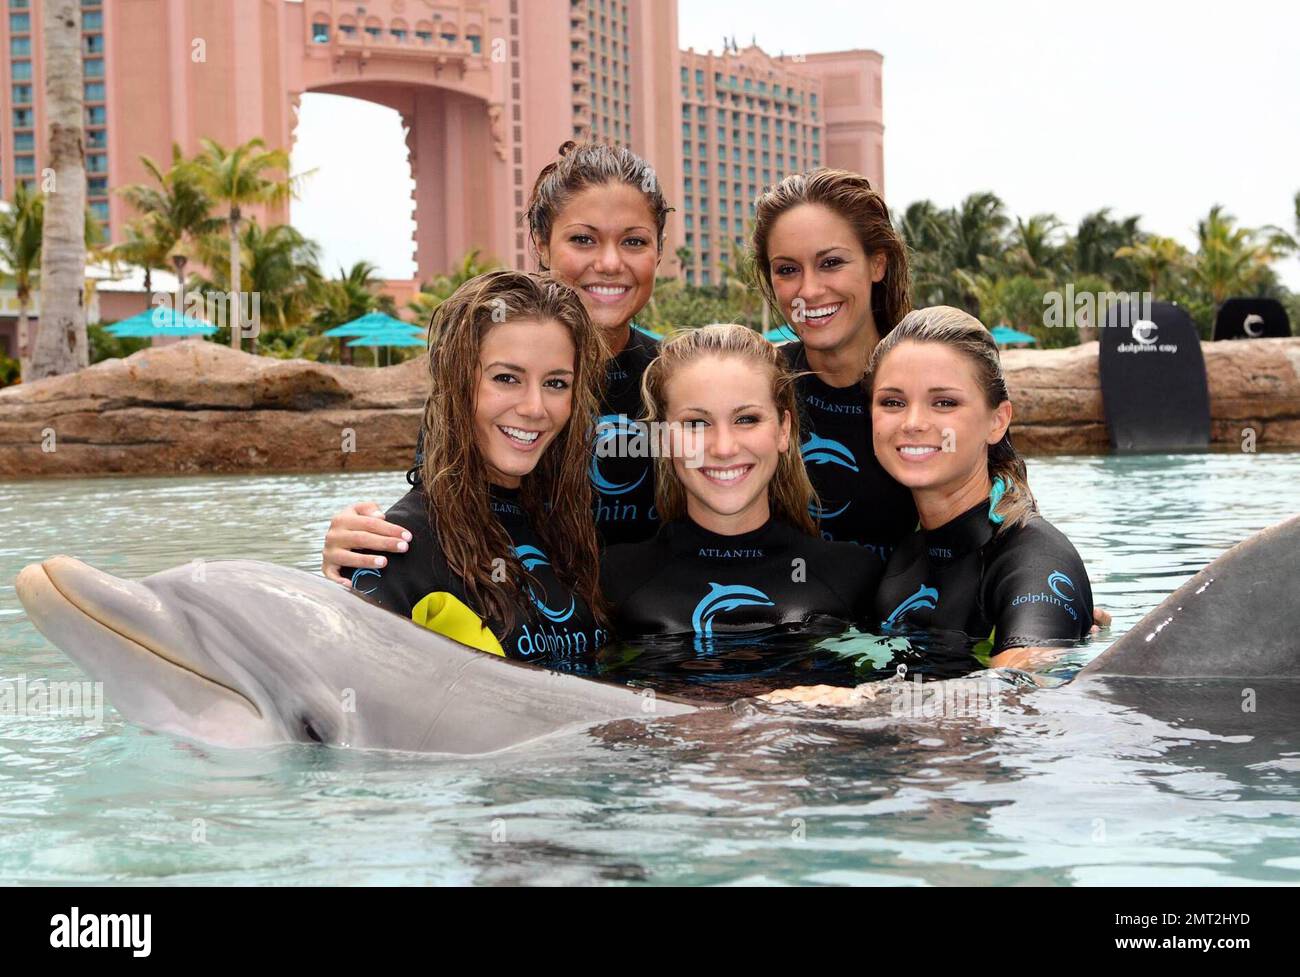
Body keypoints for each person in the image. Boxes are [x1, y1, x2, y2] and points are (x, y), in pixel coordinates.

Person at [322, 141, 672, 585]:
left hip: (661, 640)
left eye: (634, 241)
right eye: (583, 239)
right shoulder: (482, 383)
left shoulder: (676, 380)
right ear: (542, 245)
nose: (608, 262)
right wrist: (359, 548)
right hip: (530, 633)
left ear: (658, 251)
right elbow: (436, 517)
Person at [765, 307, 1097, 705]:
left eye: (944, 403)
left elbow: (1023, 687)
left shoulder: (1034, 559)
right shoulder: (905, 558)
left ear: (998, 420)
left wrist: (859, 703)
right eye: (892, 402)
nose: (913, 422)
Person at [345, 270, 610, 662]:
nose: (535, 408)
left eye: (556, 383)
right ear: (458, 382)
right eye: (506, 378)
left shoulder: (567, 526)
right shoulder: (398, 549)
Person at [600, 324, 881, 649]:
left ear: (783, 430)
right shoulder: (614, 579)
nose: (724, 447)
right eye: (696, 423)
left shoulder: (853, 577)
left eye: (746, 419)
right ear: (664, 438)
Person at [751, 168, 918, 559]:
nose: (809, 290)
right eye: (787, 270)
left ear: (877, 264)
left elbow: (1008, 514)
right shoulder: (759, 388)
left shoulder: (940, 379)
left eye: (831, 263)